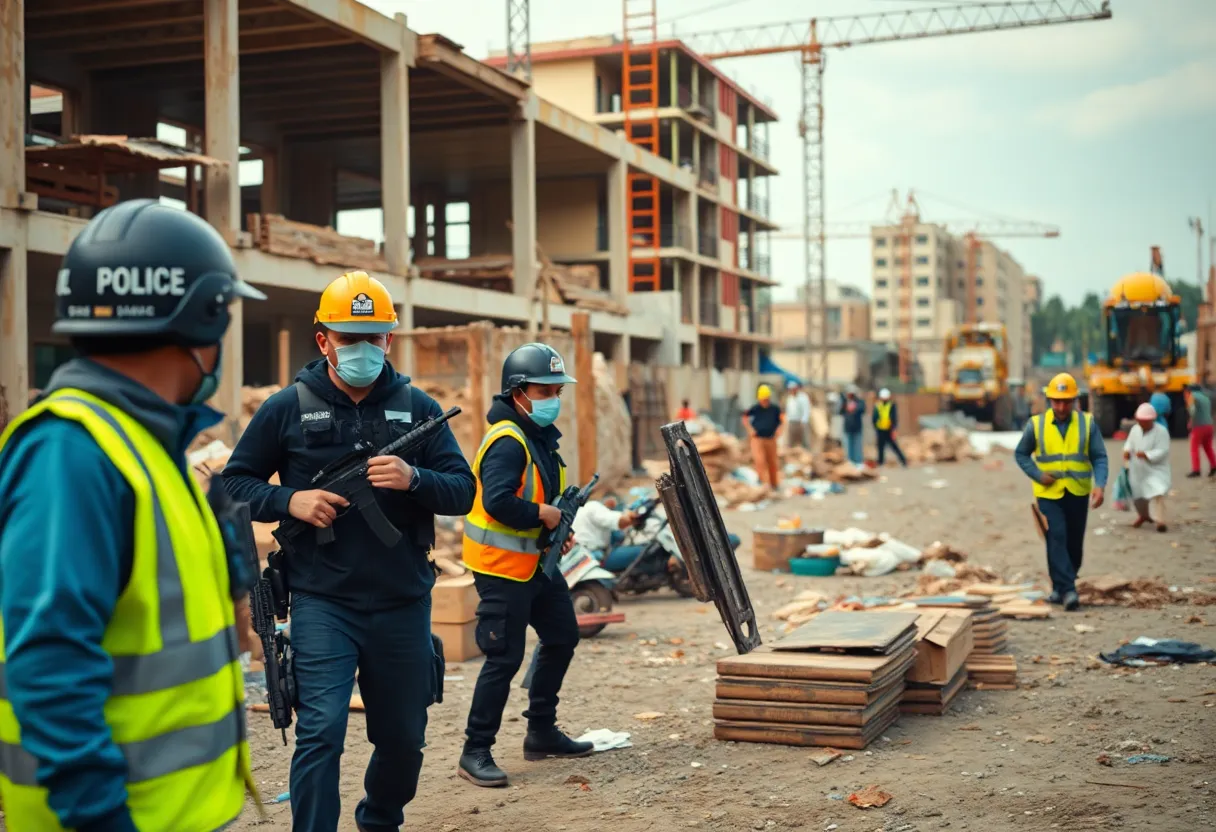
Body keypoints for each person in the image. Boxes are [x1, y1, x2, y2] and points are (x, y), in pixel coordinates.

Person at [0, 200, 265, 830]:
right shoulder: (74, 451)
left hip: (176, 813)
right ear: (202, 319)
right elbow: (50, 665)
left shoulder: (143, 443)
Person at [222, 271, 475, 832]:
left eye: (374, 337)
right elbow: (232, 484)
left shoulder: (419, 407)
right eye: (349, 338)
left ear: (390, 340)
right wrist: (290, 500)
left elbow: (464, 490)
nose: (363, 348)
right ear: (324, 341)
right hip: (322, 600)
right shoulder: (286, 408)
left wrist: (414, 478)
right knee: (320, 732)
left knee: (404, 737)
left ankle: (379, 819)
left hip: (402, 599)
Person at [459, 343, 590, 788]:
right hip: (500, 567)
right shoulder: (507, 442)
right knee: (504, 657)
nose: (554, 398)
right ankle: (475, 750)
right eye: (545, 390)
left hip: (535, 563)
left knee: (562, 636)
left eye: (557, 390)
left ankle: (541, 731)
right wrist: (542, 515)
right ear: (518, 393)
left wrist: (556, 528)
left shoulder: (537, 436)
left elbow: (539, 497)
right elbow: (498, 502)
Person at [1014, 372, 1107, 611]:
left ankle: (1058, 588)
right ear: (1049, 400)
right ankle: (1069, 590)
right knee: (1057, 536)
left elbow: (1099, 456)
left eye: (1066, 402)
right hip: (1048, 493)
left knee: (1074, 543)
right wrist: (1038, 475)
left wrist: (1100, 485)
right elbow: (1021, 454)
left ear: (1075, 400)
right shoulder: (1036, 425)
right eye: (1057, 401)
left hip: (1078, 491)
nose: (1062, 407)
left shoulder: (1087, 424)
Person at [1123, 402, 1171, 532]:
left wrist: (1147, 455)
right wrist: (1127, 451)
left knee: (1159, 491)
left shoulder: (1161, 431)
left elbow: (1163, 450)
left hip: (1156, 469)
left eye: (1145, 421)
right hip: (1138, 468)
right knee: (1138, 495)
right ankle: (1143, 515)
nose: (1142, 424)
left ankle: (1160, 520)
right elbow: (1129, 443)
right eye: (1140, 421)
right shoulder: (1135, 429)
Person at [572, 495, 639, 571]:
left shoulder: (578, 511)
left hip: (585, 556)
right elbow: (621, 521)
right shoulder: (593, 506)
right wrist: (634, 516)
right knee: (642, 551)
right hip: (598, 557)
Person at [742, 384, 784, 488]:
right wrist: (750, 430)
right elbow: (744, 418)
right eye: (762, 399)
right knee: (760, 461)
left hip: (771, 439)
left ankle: (774, 484)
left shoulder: (775, 409)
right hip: (758, 439)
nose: (764, 401)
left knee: (772, 462)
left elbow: (782, 420)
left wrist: (779, 431)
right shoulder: (755, 408)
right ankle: (763, 484)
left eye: (766, 399)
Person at [1185, 383, 1215, 478]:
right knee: (1208, 447)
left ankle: (1196, 470)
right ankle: (1214, 466)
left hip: (1199, 426)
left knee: (1194, 448)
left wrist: (1191, 421)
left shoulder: (1192, 396)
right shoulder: (1206, 397)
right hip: (1209, 425)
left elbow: (1192, 410)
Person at [872, 388, 907, 468]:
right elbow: (874, 417)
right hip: (880, 429)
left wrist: (894, 429)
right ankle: (880, 462)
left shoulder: (891, 405)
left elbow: (894, 418)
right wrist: (876, 427)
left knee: (894, 446)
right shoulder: (878, 405)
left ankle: (903, 461)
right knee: (880, 447)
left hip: (889, 429)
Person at [840, 386, 866, 465]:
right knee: (848, 448)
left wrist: (854, 406)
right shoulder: (845, 402)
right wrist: (844, 402)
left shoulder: (860, 402)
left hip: (857, 428)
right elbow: (840, 412)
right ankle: (850, 463)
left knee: (857, 447)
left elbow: (862, 409)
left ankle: (858, 462)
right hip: (847, 428)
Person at [783, 380, 811, 450]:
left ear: (796, 388)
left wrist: (804, 421)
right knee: (791, 441)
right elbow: (788, 410)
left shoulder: (803, 397)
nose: (791, 391)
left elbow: (806, 409)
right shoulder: (790, 398)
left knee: (804, 440)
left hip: (801, 422)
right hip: (792, 422)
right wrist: (787, 420)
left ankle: (806, 452)